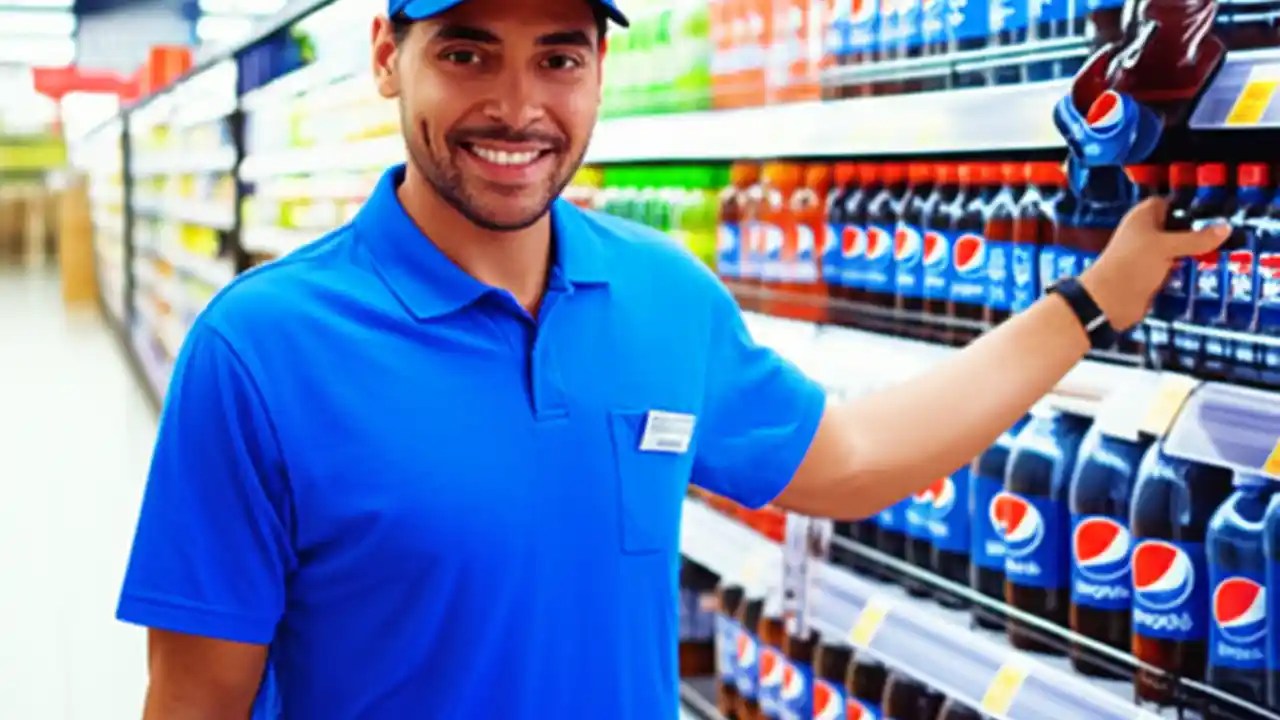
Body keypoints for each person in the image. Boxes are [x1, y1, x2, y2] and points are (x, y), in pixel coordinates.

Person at [114, 0, 1229, 716]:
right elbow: (198, 702)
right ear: (385, 59)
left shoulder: (661, 296)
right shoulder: (258, 352)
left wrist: (1087, 304)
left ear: (598, 67)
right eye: (465, 52)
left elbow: (847, 457)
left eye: (557, 56)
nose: (516, 105)